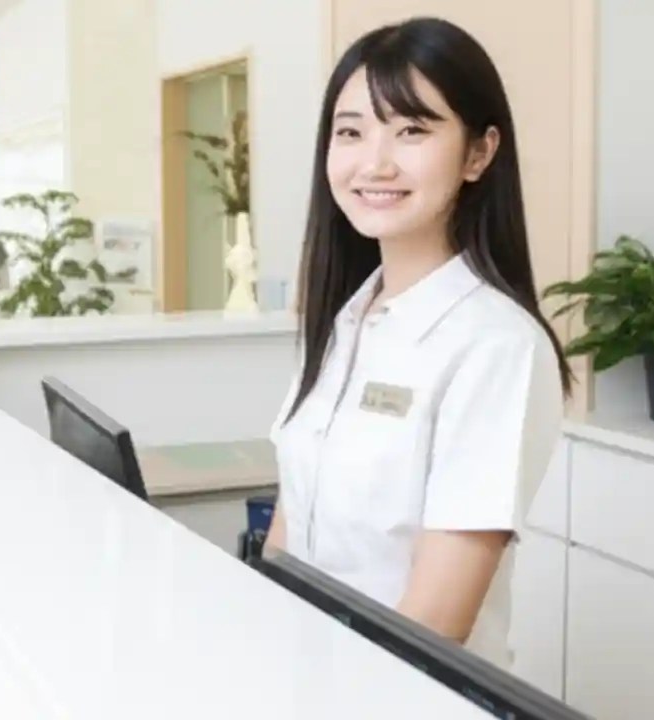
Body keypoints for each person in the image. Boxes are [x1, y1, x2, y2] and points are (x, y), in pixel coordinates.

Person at [264, 16, 572, 669]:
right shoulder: (342, 321)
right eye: (350, 131)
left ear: (479, 153)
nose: (374, 162)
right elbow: (288, 538)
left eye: (411, 130)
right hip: (303, 679)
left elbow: (435, 622)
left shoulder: (496, 346)